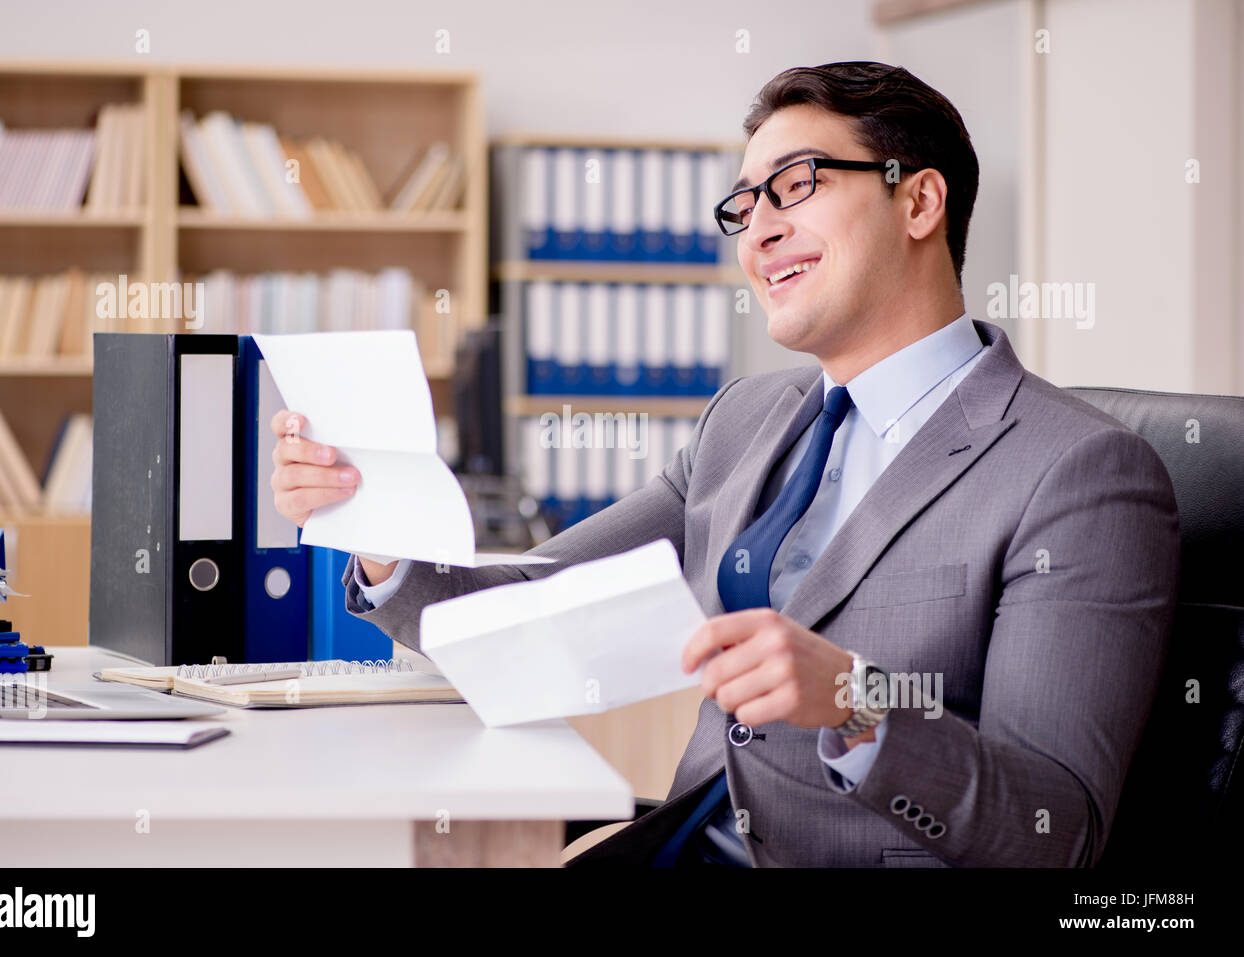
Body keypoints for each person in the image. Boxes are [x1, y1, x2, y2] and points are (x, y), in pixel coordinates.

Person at [269, 61, 1180, 867]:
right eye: (744, 207)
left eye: (795, 186)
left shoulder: (1081, 472)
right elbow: (522, 604)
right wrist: (378, 524)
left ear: (918, 201)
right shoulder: (744, 419)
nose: (757, 233)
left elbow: (1057, 829)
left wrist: (855, 704)